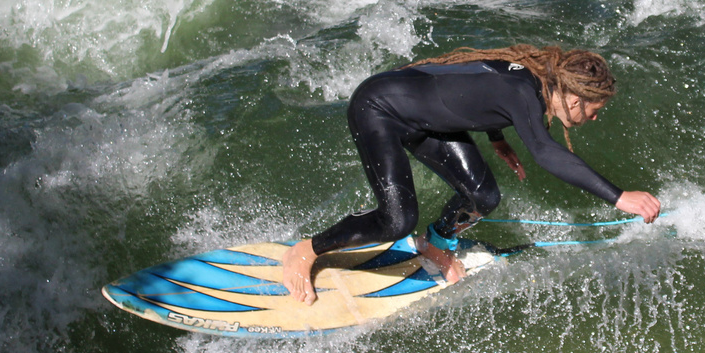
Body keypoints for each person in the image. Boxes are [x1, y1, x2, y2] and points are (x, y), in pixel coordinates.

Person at [280, 44, 661, 304]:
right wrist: (619, 196)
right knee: (397, 219)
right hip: (379, 107)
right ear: (574, 100)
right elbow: (546, 152)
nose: (592, 119)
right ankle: (306, 250)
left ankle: (434, 243)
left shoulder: (528, 81)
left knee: (483, 197)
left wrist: (496, 138)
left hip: (427, 120)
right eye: (593, 111)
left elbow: (472, 92)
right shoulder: (523, 91)